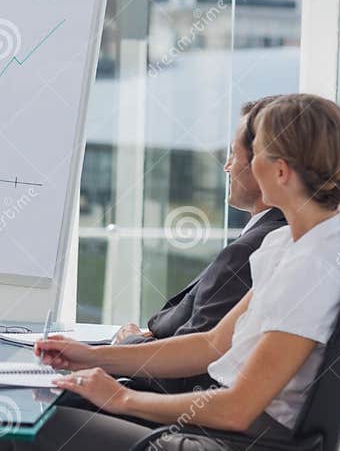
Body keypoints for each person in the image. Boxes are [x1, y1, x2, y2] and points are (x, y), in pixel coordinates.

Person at [16, 94, 340, 450]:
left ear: (280, 171)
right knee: (51, 408)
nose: (245, 164)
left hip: (233, 439)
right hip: (221, 423)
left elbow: (238, 409)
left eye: (256, 152)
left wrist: (121, 398)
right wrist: (92, 356)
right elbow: (211, 344)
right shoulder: (290, 243)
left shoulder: (311, 267)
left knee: (37, 424)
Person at [112, 97, 288, 392]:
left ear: (269, 167)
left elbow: (184, 373)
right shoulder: (273, 238)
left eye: (234, 156)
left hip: (167, 395)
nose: (227, 167)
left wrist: (126, 345)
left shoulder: (254, 250)